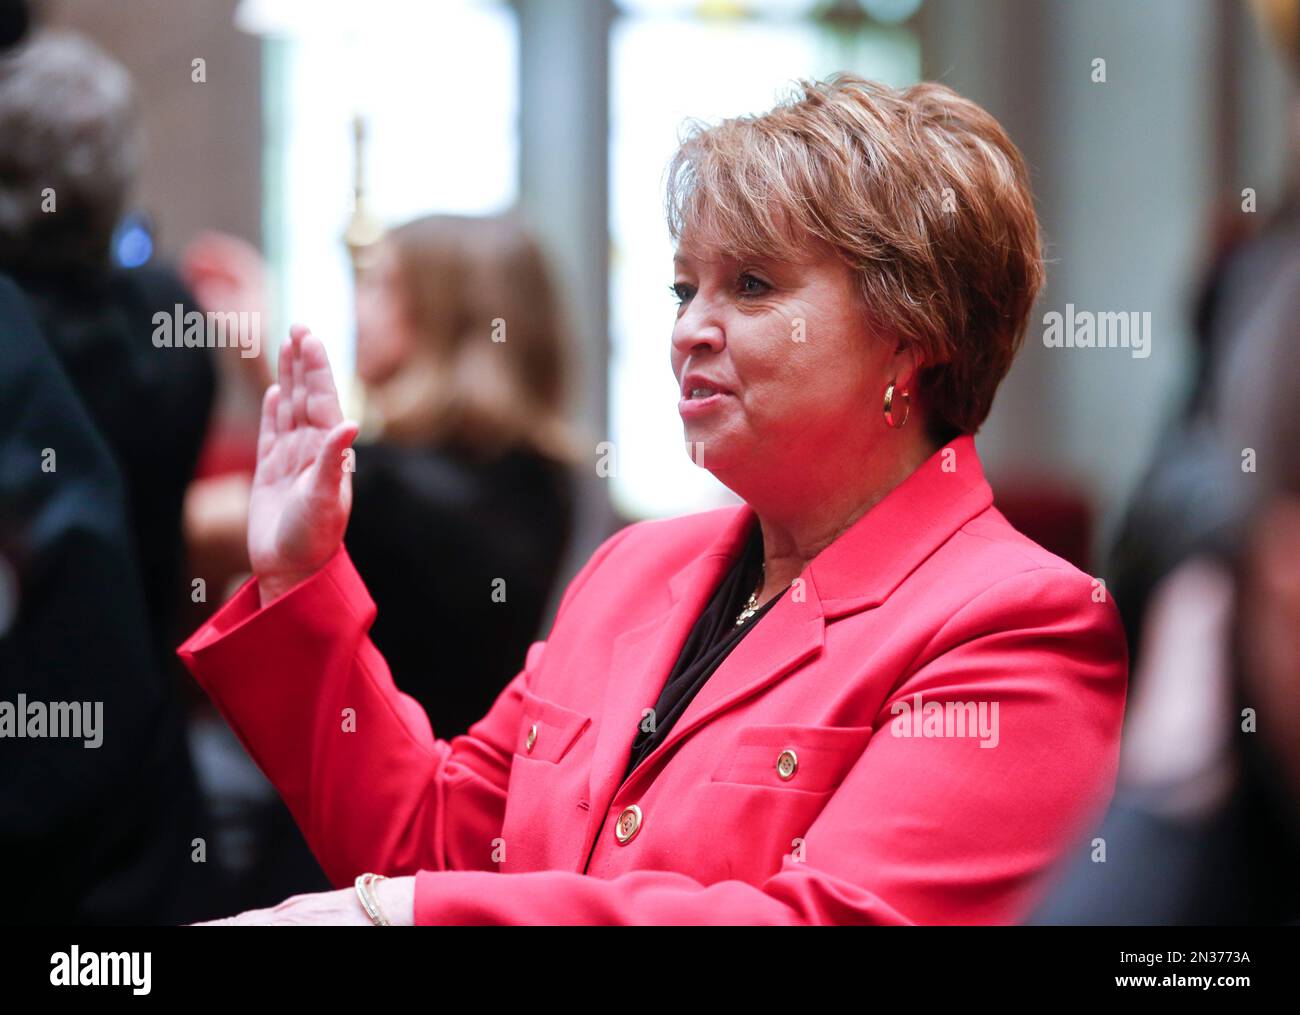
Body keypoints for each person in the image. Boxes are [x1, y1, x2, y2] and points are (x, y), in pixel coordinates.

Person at [178, 75, 1128, 925]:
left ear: (912, 336)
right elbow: (440, 844)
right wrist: (302, 574)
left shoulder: (1019, 625)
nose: (689, 332)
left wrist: (416, 915)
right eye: (684, 289)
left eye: (751, 285)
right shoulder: (636, 571)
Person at [182, 215, 578, 738]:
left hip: (356, 794)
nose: (356, 309)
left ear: (443, 317)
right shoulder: (549, 483)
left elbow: (187, 528)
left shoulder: (386, 490)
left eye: (380, 285)